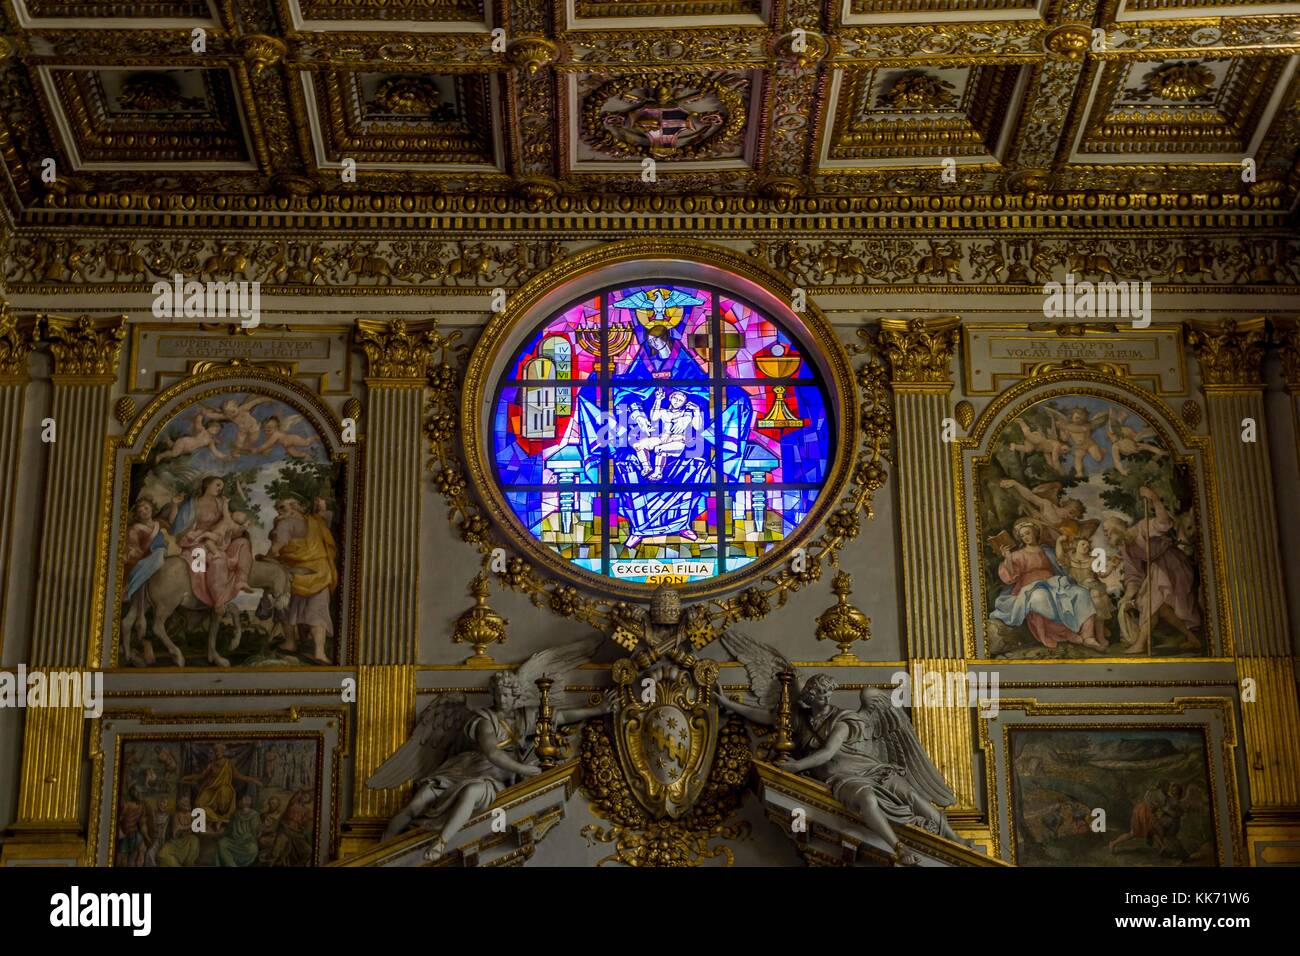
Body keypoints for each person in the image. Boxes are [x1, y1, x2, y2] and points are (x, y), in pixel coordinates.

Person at [717, 675, 963, 865]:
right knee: (867, 799)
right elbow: (768, 717)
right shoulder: (799, 719)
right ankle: (899, 848)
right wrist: (728, 703)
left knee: (913, 796)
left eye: (828, 693)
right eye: (821, 694)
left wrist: (796, 766)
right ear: (810, 696)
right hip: (841, 778)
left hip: (869, 769)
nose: (826, 698)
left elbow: (827, 753)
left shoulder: (843, 719)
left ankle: (956, 841)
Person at [1104, 486, 1201, 654]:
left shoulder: (1142, 528)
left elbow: (1163, 523)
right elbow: (1133, 576)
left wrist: (1154, 499)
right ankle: (1193, 638)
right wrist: (1127, 596)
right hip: (1157, 570)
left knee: (1151, 601)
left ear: (1115, 529)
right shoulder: (1126, 549)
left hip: (1173, 565)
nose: (1106, 537)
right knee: (1160, 607)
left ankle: (1140, 644)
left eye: (1107, 532)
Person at [990, 518, 1107, 651]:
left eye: (1027, 533)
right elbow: (1010, 577)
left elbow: (1061, 565)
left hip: (1054, 584)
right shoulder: (1017, 555)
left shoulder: (1047, 550)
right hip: (1031, 587)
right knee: (1040, 597)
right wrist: (1008, 559)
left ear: (1035, 532)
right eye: (1022, 536)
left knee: (1081, 593)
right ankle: (1058, 633)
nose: (1025, 537)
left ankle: (1088, 636)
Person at [164, 475, 253, 609]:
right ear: (207, 485)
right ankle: (218, 600)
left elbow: (228, 523)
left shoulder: (220, 503)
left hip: (217, 539)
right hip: (195, 543)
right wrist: (175, 505)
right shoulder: (193, 503)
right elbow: (175, 525)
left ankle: (241, 580)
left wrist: (237, 526)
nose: (219, 489)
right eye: (217, 485)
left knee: (243, 543)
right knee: (218, 559)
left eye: (221, 487)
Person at [268, 497, 338, 663]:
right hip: (319, 573)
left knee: (284, 606)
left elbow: (278, 546)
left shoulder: (285, 523)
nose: (279, 511)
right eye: (278, 508)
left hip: (296, 574)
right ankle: (319, 653)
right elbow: (326, 516)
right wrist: (321, 507)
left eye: (282, 506)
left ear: (294, 507)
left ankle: (291, 642)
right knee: (317, 612)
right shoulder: (315, 520)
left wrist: (266, 558)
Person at [181, 742, 262, 826]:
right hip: (211, 789)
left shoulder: (228, 763)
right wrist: (187, 777)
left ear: (223, 752)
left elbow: (238, 776)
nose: (217, 753)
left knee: (223, 794)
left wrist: (253, 779)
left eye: (219, 751)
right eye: (216, 751)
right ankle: (216, 820)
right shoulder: (211, 764)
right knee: (199, 804)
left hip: (224, 789)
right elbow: (201, 776)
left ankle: (219, 819)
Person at [123, 499, 178, 601]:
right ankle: (129, 590)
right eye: (140, 511)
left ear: (152, 508)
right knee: (158, 556)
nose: (144, 511)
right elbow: (133, 548)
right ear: (137, 515)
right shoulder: (136, 528)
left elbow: (173, 528)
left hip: (162, 554)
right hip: (144, 558)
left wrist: (174, 505)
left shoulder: (160, 523)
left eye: (146, 508)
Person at [214, 794, 262, 866]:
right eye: (244, 798)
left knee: (252, 849)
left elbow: (255, 831)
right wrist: (221, 825)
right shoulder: (236, 814)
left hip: (247, 842)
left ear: (251, 802)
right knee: (222, 843)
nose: (246, 801)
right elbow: (230, 828)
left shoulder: (254, 815)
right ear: (240, 801)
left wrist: (247, 836)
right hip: (234, 841)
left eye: (248, 799)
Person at [156, 794, 200, 867]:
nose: (187, 804)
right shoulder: (176, 815)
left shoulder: (191, 814)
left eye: (188, 802)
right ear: (180, 804)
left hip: (187, 839)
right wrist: (190, 826)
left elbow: (196, 827)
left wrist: (192, 826)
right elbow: (177, 830)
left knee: (195, 840)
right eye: (185, 802)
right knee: (162, 855)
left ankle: (188, 864)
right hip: (175, 842)